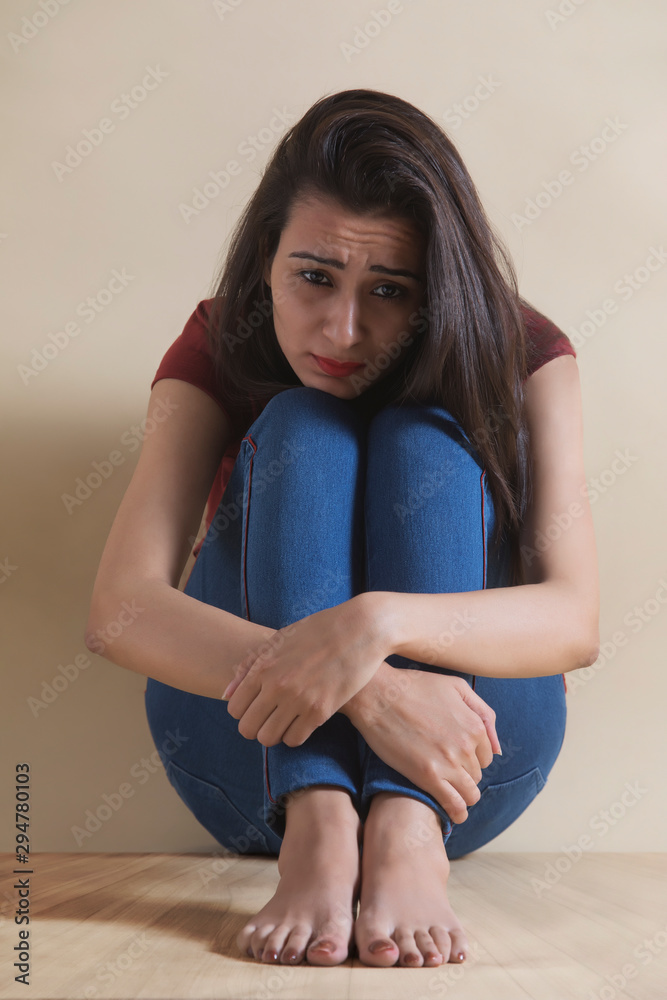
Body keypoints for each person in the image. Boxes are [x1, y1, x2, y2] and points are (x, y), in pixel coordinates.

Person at [85, 88, 600, 970]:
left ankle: (405, 831)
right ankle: (318, 827)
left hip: (458, 765)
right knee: (303, 426)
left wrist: (377, 627)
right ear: (265, 260)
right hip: (247, 766)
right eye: (313, 277)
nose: (343, 330)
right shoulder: (216, 343)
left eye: (390, 292)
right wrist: (370, 687)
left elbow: (574, 620)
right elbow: (120, 609)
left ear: (437, 291)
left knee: (420, 435)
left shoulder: (523, 350)